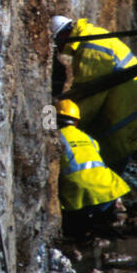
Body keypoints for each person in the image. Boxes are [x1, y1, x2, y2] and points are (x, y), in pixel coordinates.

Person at [52, 15, 137, 215]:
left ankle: (101, 211)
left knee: (108, 163)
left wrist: (69, 119)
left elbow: (89, 99)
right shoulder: (95, 35)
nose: (57, 47)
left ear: (64, 34)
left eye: (56, 41)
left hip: (128, 117)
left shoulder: (88, 52)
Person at [55, 100, 129, 237]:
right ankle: (103, 222)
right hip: (108, 193)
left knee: (74, 228)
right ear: (76, 121)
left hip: (79, 200)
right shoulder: (89, 138)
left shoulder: (55, 139)